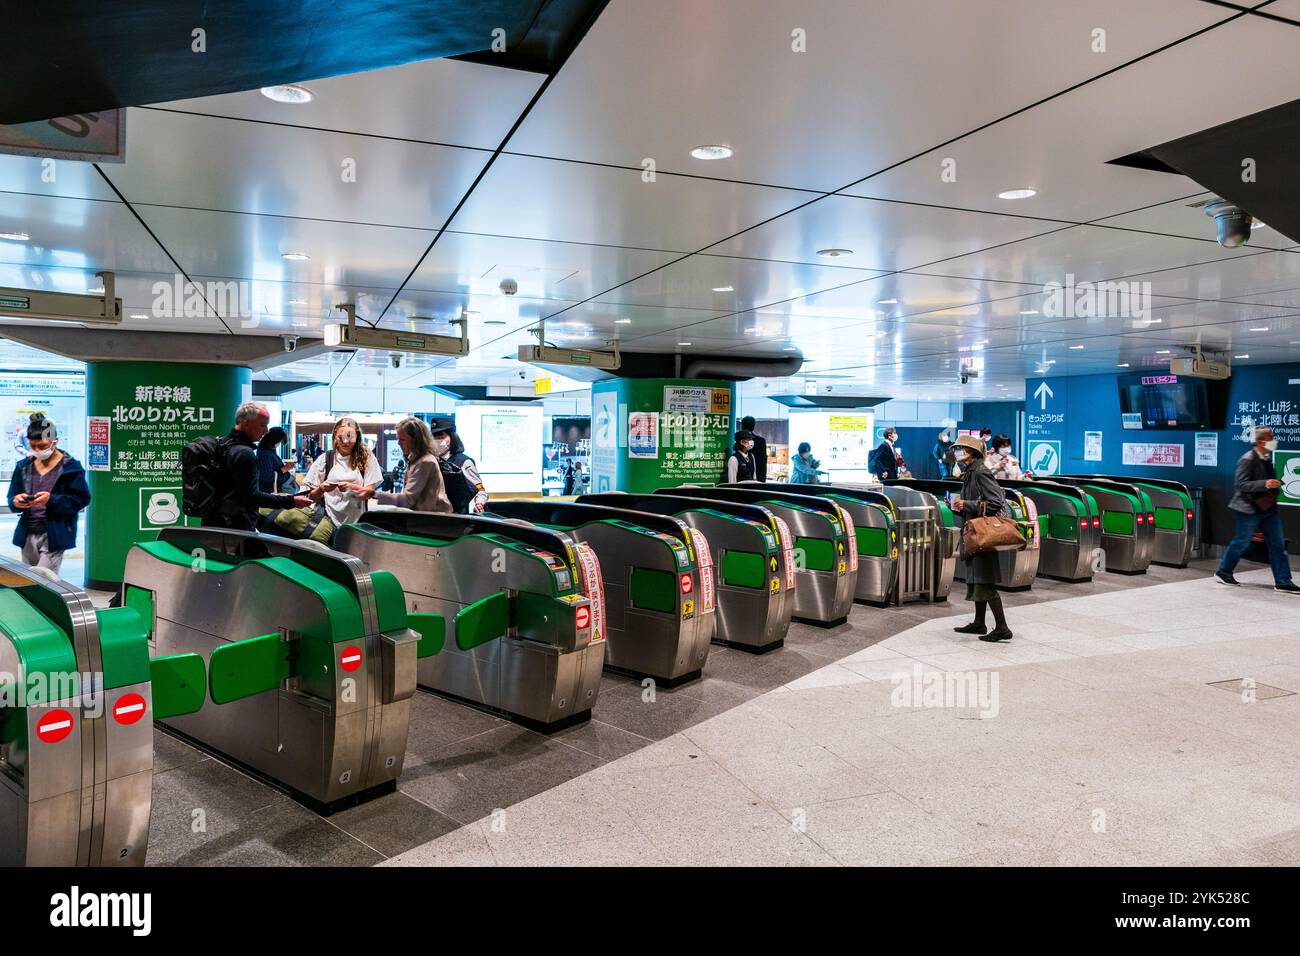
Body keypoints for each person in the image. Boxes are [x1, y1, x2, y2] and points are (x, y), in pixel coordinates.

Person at [1216, 427, 1300, 592]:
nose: (1274, 440)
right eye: (1271, 437)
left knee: (1277, 544)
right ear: (1261, 441)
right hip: (1249, 508)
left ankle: (1283, 581)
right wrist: (1266, 483)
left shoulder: (1267, 458)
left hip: (1268, 507)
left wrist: (1273, 486)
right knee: (1241, 541)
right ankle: (1224, 571)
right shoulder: (1247, 459)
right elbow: (1240, 484)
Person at [202, 402, 311, 529]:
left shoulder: (222, 445)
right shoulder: (244, 453)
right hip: (234, 528)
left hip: (212, 521)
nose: (266, 431)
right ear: (246, 423)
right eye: (263, 425)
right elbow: (252, 496)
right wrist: (291, 501)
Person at [6, 413, 90, 573]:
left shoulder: (71, 468)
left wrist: (51, 499)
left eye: (42, 446)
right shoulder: (23, 467)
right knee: (29, 582)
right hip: (28, 533)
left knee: (44, 578)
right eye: (32, 446)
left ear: (54, 442)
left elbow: (82, 499)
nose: (37, 450)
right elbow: (12, 496)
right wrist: (16, 501)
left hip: (55, 533)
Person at [950, 435, 1014, 641]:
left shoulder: (980, 472)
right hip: (974, 533)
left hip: (983, 536)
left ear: (972, 452)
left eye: (961, 448)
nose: (957, 451)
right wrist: (961, 507)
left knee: (985, 580)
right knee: (978, 579)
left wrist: (967, 505)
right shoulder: (970, 472)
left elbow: (996, 501)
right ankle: (979, 623)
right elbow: (975, 503)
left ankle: (1002, 627)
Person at [349, 417, 451, 513]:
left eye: (402, 439)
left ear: (416, 440)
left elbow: (407, 500)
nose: (398, 443)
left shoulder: (425, 462)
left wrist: (373, 494)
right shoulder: (419, 461)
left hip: (432, 522)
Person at [302, 417, 383, 527]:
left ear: (357, 436)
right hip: (326, 523)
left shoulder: (367, 459)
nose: (345, 441)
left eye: (350, 437)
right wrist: (321, 489)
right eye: (341, 437)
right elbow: (311, 498)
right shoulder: (325, 459)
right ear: (335, 436)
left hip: (356, 524)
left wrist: (351, 487)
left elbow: (369, 492)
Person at [430, 417, 488, 514]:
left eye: (441, 436)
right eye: (434, 437)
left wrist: (479, 503)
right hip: (433, 515)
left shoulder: (464, 462)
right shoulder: (430, 461)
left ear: (452, 437)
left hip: (457, 518)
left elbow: (480, 488)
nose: (437, 440)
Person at [255, 427, 295, 494]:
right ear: (274, 440)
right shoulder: (264, 453)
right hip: (272, 492)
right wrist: (285, 468)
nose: (278, 444)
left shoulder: (271, 450)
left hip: (278, 488)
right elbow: (267, 477)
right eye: (279, 442)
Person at [739, 416, 768, 481]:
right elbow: (763, 462)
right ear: (753, 426)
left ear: (742, 426)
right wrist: (763, 479)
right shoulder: (761, 441)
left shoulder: (739, 441)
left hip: (743, 478)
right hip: (759, 477)